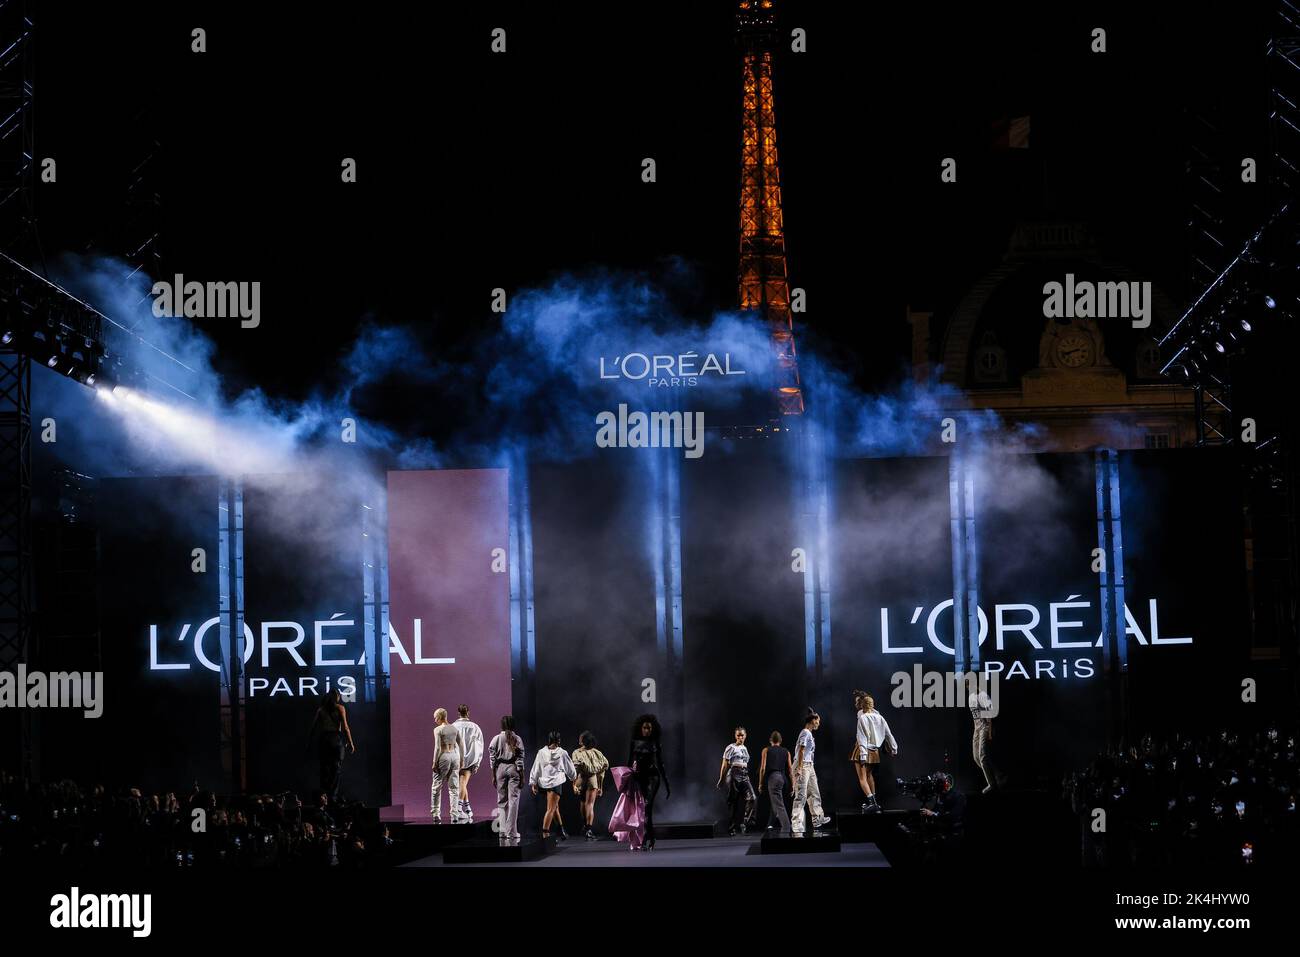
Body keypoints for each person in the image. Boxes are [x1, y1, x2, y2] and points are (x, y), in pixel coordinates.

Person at [851, 690, 898, 813]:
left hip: (864, 749)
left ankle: (872, 803)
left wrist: (862, 754)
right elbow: (888, 734)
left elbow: (861, 737)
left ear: (862, 704)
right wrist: (894, 748)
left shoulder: (862, 717)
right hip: (874, 751)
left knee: (862, 778)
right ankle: (875, 802)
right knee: (869, 776)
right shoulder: (880, 717)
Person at [628, 714, 671, 850]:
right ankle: (651, 838)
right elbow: (629, 762)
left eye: (650, 728)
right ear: (640, 728)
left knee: (647, 805)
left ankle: (646, 838)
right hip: (639, 777)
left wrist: (666, 783)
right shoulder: (634, 742)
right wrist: (626, 780)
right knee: (646, 810)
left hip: (653, 777)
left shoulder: (655, 742)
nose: (648, 730)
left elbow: (661, 763)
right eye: (645, 728)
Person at [308, 690, 356, 804]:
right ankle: (332, 797)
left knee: (324, 770)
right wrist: (351, 742)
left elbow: (313, 728)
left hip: (324, 740)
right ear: (337, 696)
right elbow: (345, 727)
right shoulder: (340, 708)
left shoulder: (321, 709)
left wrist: (308, 744)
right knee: (336, 769)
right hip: (335, 739)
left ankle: (323, 797)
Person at [530, 731, 577, 840]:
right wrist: (573, 779)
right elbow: (570, 768)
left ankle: (561, 830)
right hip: (556, 783)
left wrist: (533, 782)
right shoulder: (562, 753)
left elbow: (536, 767)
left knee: (555, 807)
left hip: (545, 783)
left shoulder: (541, 752)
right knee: (551, 809)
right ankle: (545, 834)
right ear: (559, 740)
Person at [790, 708, 830, 834]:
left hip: (809, 765)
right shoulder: (805, 732)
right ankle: (796, 822)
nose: (819, 723)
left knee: (814, 792)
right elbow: (801, 751)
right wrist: (800, 768)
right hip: (802, 765)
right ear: (813, 720)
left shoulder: (810, 734)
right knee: (801, 795)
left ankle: (817, 818)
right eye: (818, 721)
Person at [488, 715, 525, 844]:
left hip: (500, 769)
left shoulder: (496, 739)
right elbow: (520, 759)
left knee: (501, 801)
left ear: (502, 725)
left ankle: (502, 832)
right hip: (514, 768)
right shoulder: (517, 739)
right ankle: (512, 832)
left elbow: (492, 759)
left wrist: (493, 775)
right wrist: (522, 776)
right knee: (513, 801)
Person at [717, 726, 757, 835]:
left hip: (744, 774)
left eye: (742, 735)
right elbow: (725, 764)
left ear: (745, 736)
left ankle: (745, 823)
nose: (740, 737)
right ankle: (731, 828)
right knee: (733, 802)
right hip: (734, 773)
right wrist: (721, 779)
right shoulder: (731, 747)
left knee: (752, 798)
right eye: (738, 735)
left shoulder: (745, 748)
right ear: (735, 736)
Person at [571, 731, 609, 841]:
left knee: (583, 803)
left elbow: (575, 769)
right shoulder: (596, 752)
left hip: (581, 778)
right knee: (590, 804)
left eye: (581, 737)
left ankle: (585, 826)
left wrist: (574, 784)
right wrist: (600, 786)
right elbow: (603, 768)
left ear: (583, 740)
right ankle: (588, 829)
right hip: (592, 779)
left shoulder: (576, 752)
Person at [430, 708, 464, 823]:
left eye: (435, 718)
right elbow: (461, 744)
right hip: (455, 756)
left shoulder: (438, 729)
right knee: (454, 787)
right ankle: (454, 815)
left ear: (439, 717)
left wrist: (434, 762)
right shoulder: (454, 728)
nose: (435, 720)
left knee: (437, 786)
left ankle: (435, 814)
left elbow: (438, 747)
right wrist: (462, 759)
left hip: (444, 756)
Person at [453, 705, 484, 823]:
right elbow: (480, 746)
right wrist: (477, 762)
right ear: (468, 712)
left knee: (462, 783)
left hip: (456, 759)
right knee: (463, 783)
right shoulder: (475, 727)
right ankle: (465, 809)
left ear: (458, 713)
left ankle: (461, 808)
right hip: (470, 759)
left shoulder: (453, 726)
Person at [758, 731, 793, 833]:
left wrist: (760, 783)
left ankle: (787, 828)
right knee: (776, 801)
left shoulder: (766, 750)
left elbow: (763, 768)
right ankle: (770, 824)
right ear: (780, 741)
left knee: (779, 804)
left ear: (770, 740)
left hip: (773, 778)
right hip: (783, 779)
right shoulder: (786, 752)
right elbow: (790, 770)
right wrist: (793, 785)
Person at [970, 690, 1004, 793]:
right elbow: (974, 716)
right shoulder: (970, 697)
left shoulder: (983, 695)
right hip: (977, 728)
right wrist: (976, 731)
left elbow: (992, 712)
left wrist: (989, 731)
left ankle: (992, 784)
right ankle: (998, 775)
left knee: (982, 756)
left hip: (985, 726)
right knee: (976, 757)